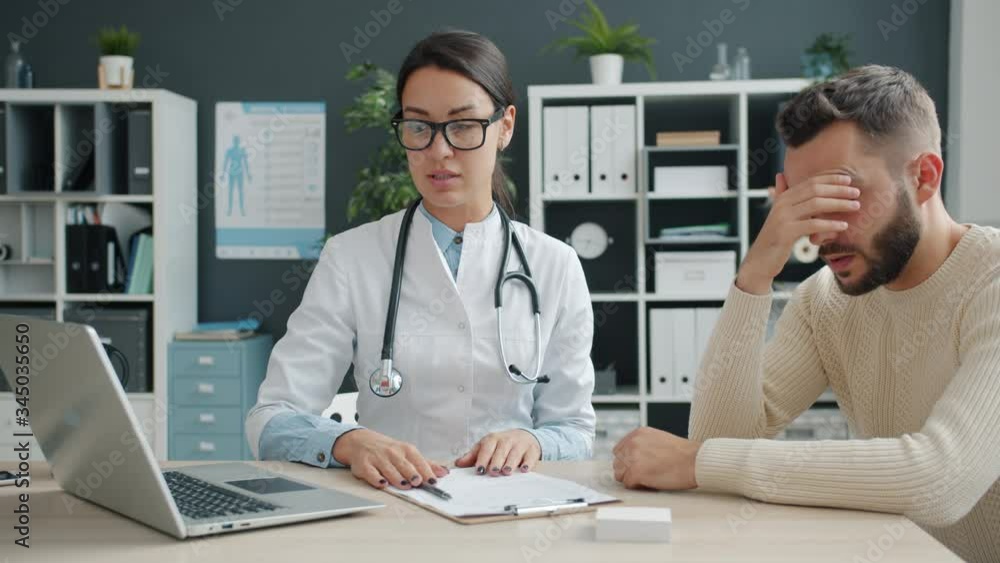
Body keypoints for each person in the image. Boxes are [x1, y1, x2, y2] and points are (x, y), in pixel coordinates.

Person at [612, 65, 999, 562]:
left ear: (923, 177)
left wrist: (700, 461)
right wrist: (756, 271)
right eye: (801, 200)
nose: (818, 232)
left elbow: (943, 479)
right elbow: (718, 442)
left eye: (841, 193)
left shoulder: (989, 281)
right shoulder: (825, 300)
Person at [246, 30, 596, 492]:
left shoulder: (556, 265)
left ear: (505, 127)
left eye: (463, 125)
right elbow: (270, 421)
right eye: (418, 126)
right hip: (388, 512)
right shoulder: (351, 258)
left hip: (509, 510)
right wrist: (349, 442)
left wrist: (532, 442)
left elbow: (574, 431)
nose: (439, 151)